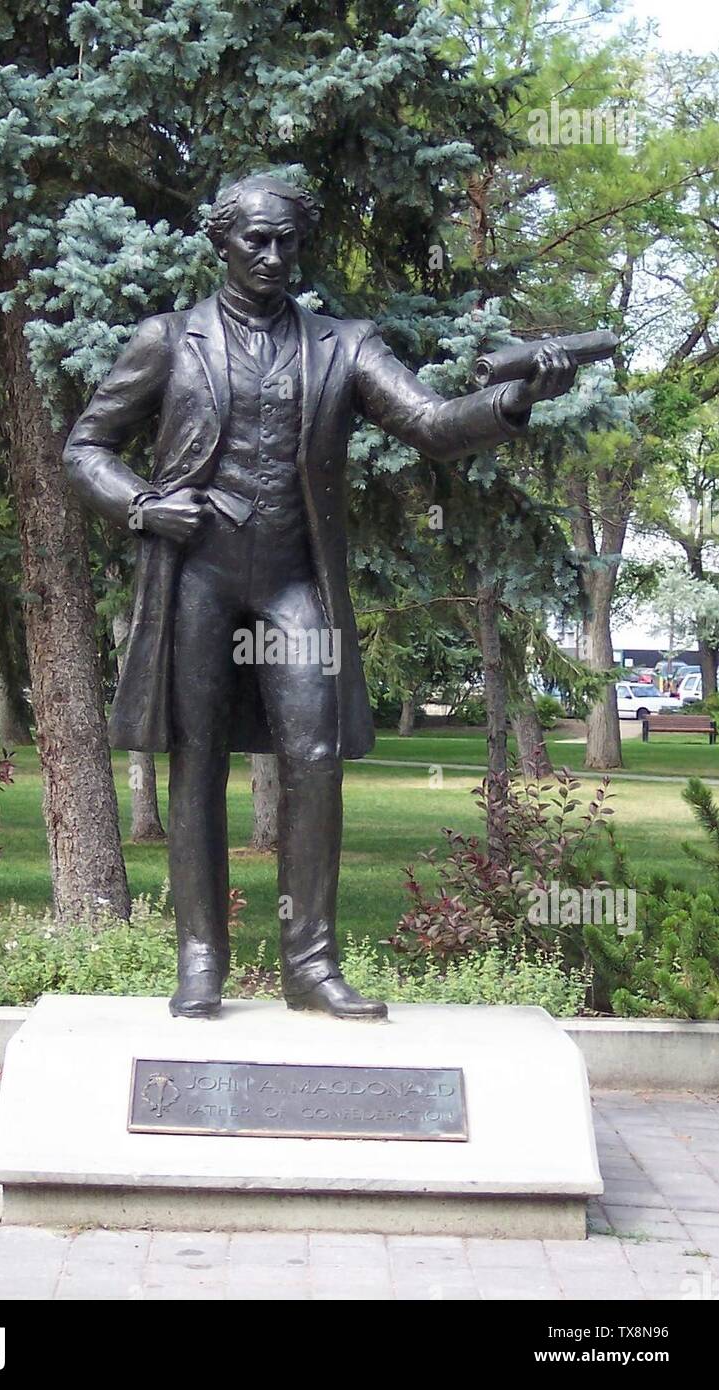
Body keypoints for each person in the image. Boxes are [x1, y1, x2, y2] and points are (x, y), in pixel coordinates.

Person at [64, 174, 577, 1020]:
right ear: (220, 244)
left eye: (286, 242)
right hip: (197, 576)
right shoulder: (168, 339)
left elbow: (431, 424)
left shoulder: (343, 345)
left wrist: (515, 397)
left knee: (312, 760)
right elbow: (85, 448)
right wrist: (147, 504)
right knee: (197, 768)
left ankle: (310, 964)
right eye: (254, 241)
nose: (272, 257)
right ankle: (200, 958)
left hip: (295, 584)